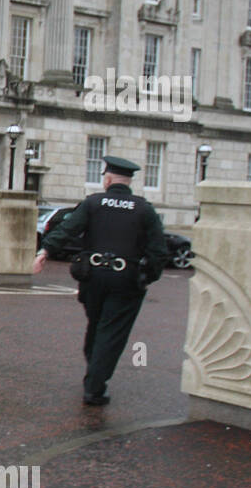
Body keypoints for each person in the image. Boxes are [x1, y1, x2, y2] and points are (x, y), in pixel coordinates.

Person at [33, 155, 169, 406]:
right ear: (129, 181)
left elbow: (67, 229)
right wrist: (147, 277)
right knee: (112, 332)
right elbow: (158, 251)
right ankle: (95, 386)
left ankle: (94, 372)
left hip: (92, 277)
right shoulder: (144, 209)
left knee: (96, 326)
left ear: (107, 180)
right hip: (125, 278)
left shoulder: (93, 203)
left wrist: (45, 251)